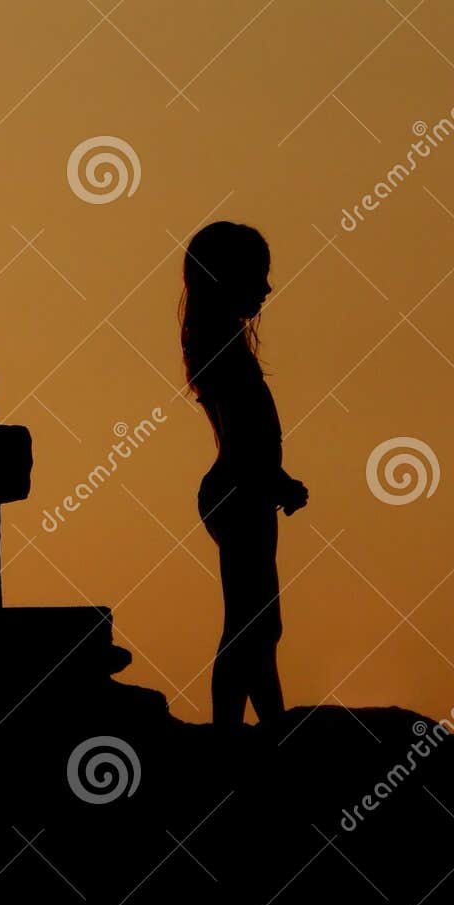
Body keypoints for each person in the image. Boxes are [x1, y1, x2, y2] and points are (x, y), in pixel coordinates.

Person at [180, 221, 307, 728]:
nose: (267, 288)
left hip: (244, 489)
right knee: (251, 623)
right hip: (240, 491)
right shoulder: (224, 354)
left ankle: (257, 726)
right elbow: (242, 437)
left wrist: (276, 478)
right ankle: (235, 731)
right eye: (257, 275)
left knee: (258, 623)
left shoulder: (225, 348)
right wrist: (274, 480)